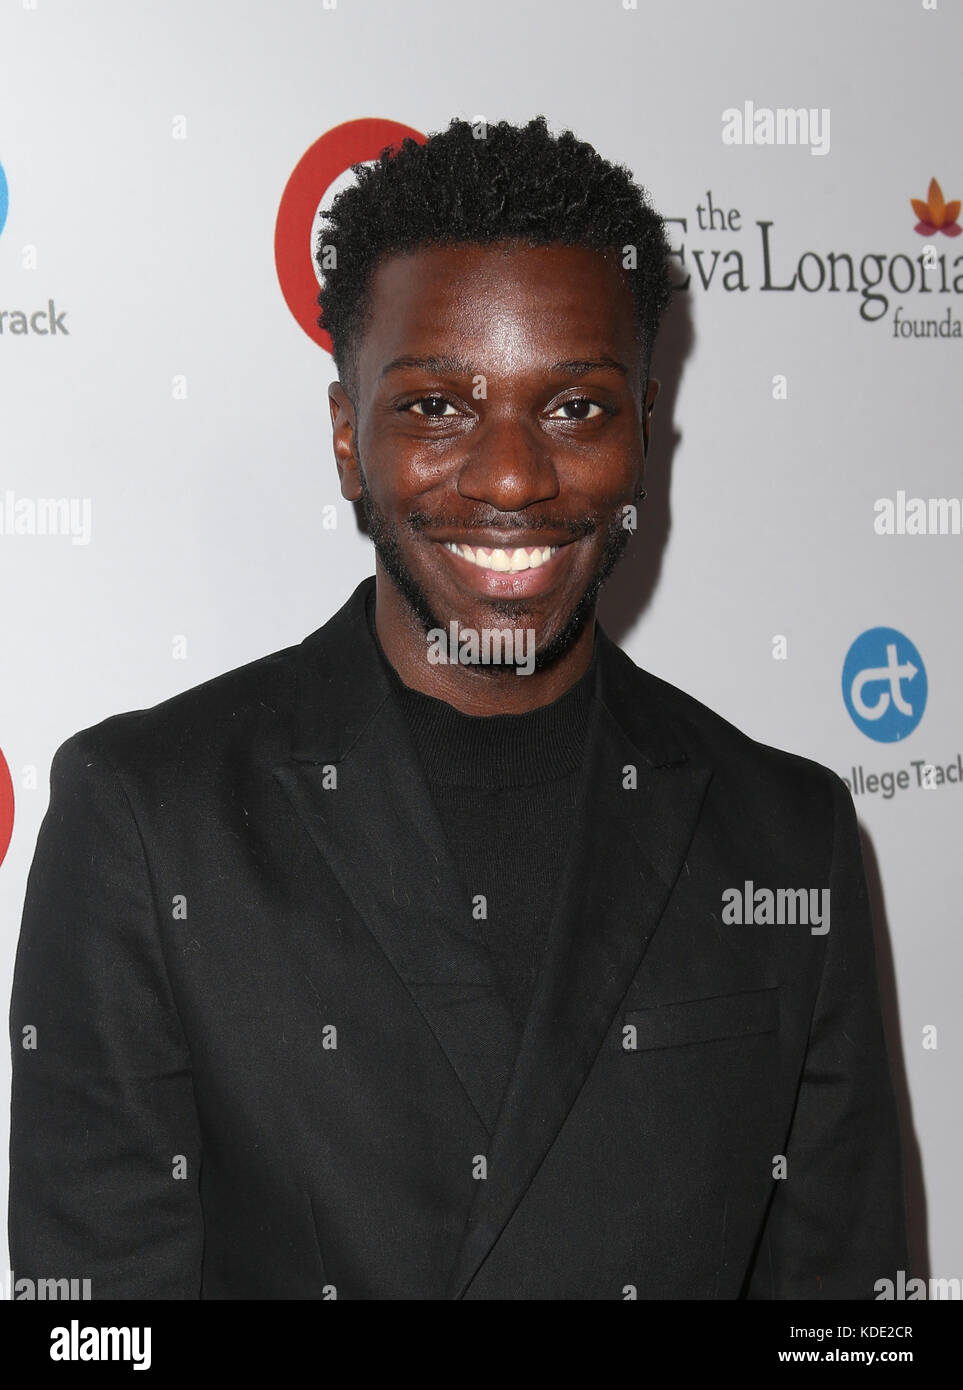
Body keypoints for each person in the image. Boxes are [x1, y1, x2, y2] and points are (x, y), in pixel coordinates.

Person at [8, 116, 908, 1299]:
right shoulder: (146, 815)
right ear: (348, 439)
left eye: (574, 408)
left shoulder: (787, 832)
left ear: (645, 430)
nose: (510, 477)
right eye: (436, 407)